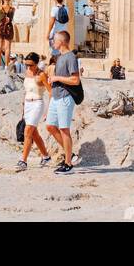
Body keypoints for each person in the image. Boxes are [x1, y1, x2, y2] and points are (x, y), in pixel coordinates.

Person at [46, 31, 81, 174]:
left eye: (54, 40)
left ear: (62, 41)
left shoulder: (70, 57)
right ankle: (70, 153)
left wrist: (57, 78)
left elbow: (75, 80)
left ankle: (68, 164)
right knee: (50, 126)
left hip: (65, 97)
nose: (53, 42)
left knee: (64, 130)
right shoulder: (59, 57)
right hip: (56, 97)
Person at [16, 52, 52, 171]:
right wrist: (23, 108)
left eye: (31, 65)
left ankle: (23, 161)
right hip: (27, 104)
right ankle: (46, 156)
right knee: (34, 133)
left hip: (37, 103)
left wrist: (50, 110)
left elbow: (50, 91)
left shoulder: (41, 75)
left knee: (28, 131)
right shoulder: (27, 73)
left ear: (37, 64)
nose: (28, 67)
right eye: (26, 65)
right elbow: (26, 91)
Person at [0, 0, 15, 68]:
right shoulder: (12, 9)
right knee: (7, 48)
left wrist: (1, 4)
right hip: (9, 28)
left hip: (0, 27)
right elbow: (11, 18)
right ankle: (6, 65)